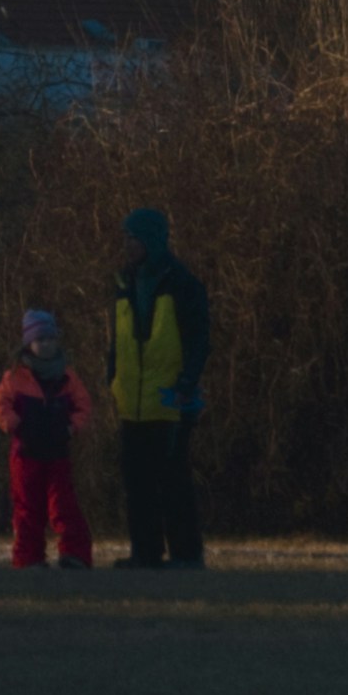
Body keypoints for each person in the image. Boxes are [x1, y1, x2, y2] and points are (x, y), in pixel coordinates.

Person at [106, 204, 211, 567]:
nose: (127, 244)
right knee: (137, 483)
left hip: (170, 400)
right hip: (132, 402)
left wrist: (186, 383)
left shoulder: (182, 284)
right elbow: (117, 342)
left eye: (133, 237)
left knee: (173, 481)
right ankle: (145, 552)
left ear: (150, 240)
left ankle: (185, 553)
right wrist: (113, 380)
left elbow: (199, 339)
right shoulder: (124, 284)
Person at [0, 304, 95, 567]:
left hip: (58, 452)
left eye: (50, 339)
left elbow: (84, 406)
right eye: (39, 340)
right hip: (25, 453)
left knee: (64, 505)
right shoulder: (15, 377)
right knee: (27, 507)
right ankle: (28, 557)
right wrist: (16, 425)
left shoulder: (68, 376)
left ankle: (74, 554)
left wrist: (72, 427)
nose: (46, 345)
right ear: (28, 344)